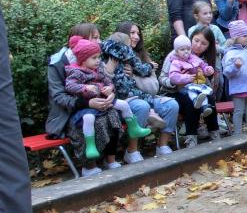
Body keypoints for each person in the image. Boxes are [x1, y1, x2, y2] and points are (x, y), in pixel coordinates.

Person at [46, 24, 123, 176]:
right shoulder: (57, 63)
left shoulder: (94, 57)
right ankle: (89, 166)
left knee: (113, 115)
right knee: (92, 120)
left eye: (99, 37)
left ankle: (109, 160)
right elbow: (59, 97)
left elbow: (105, 82)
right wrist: (87, 103)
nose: (99, 41)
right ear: (80, 40)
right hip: (67, 113)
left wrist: (110, 95)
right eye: (94, 37)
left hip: (95, 105)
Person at [63, 36, 151, 161]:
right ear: (82, 59)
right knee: (89, 118)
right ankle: (90, 146)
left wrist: (110, 88)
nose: (98, 60)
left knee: (124, 105)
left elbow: (108, 81)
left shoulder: (98, 69)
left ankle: (134, 128)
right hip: (88, 105)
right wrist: (84, 88)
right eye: (94, 58)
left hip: (104, 99)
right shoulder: (76, 72)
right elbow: (69, 86)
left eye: (98, 57)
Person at [102, 24, 179, 159]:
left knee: (172, 105)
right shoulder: (107, 57)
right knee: (141, 107)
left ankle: (162, 146)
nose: (136, 37)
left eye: (138, 33)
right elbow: (106, 82)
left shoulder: (142, 56)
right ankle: (132, 151)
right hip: (124, 100)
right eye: (132, 33)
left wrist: (134, 76)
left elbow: (154, 87)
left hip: (144, 94)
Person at [159, 28, 221, 144]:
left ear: (209, 46)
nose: (198, 45)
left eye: (203, 44)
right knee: (189, 100)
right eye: (196, 40)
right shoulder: (176, 54)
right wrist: (176, 81)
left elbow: (207, 83)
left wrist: (206, 74)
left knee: (209, 97)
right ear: (191, 38)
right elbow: (162, 79)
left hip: (195, 89)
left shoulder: (205, 59)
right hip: (172, 92)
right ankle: (191, 137)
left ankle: (214, 132)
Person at [168, 35, 216, 124]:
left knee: (203, 94)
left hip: (196, 84)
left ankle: (205, 107)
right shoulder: (175, 62)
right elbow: (173, 76)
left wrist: (208, 69)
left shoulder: (194, 58)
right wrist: (186, 77)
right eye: (182, 49)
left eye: (188, 49)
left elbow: (203, 65)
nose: (186, 52)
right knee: (191, 94)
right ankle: (196, 102)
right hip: (184, 86)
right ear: (177, 51)